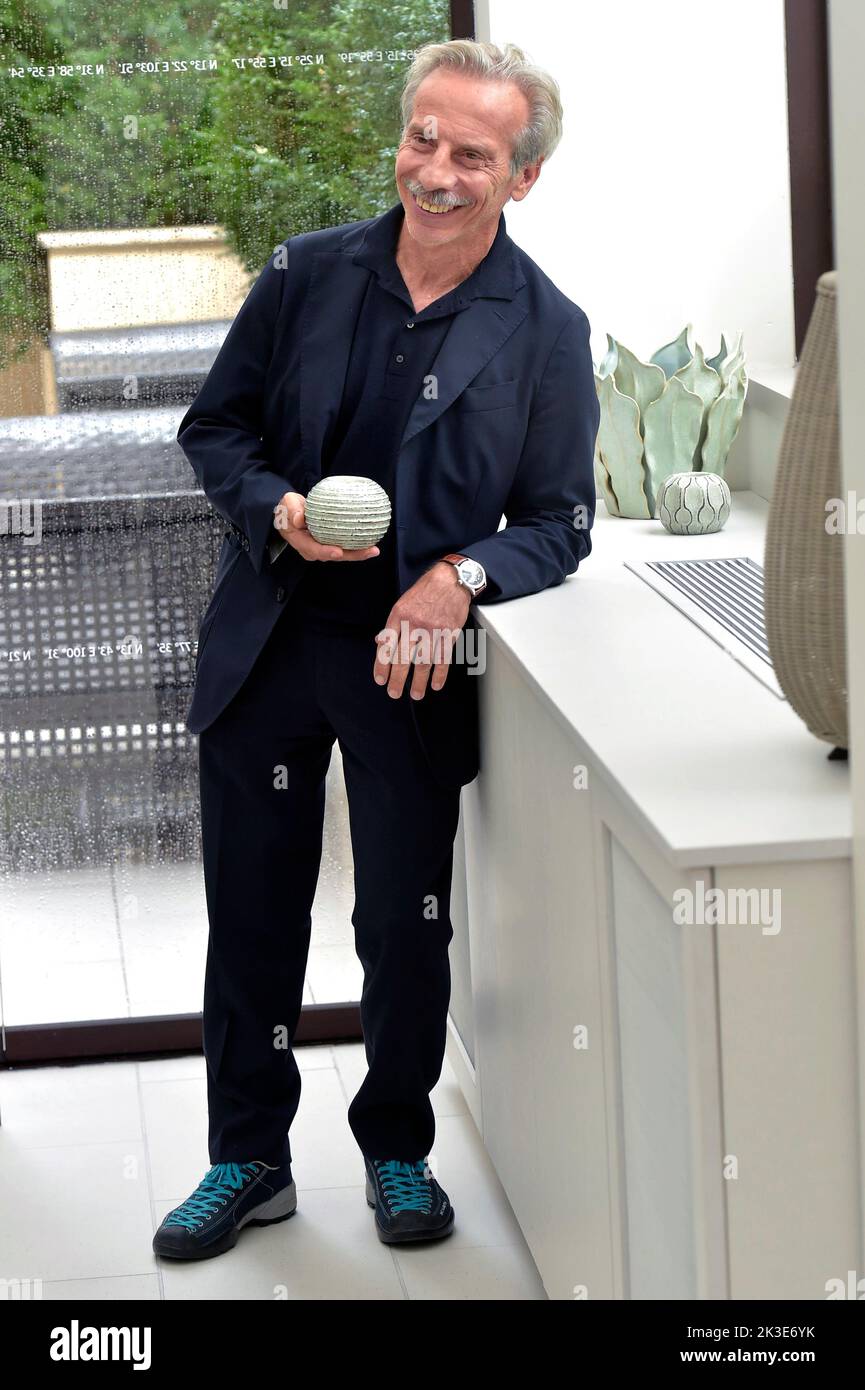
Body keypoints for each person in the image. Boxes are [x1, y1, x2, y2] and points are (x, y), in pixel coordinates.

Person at [152, 38, 599, 1262]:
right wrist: (277, 510)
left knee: (403, 923)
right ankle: (245, 1156)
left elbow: (561, 523)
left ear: (521, 180)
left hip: (407, 661)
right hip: (270, 634)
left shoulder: (546, 329)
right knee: (252, 909)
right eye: (422, 138)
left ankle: (395, 1148)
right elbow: (216, 428)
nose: (436, 170)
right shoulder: (305, 273)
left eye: (473, 153)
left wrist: (458, 578)